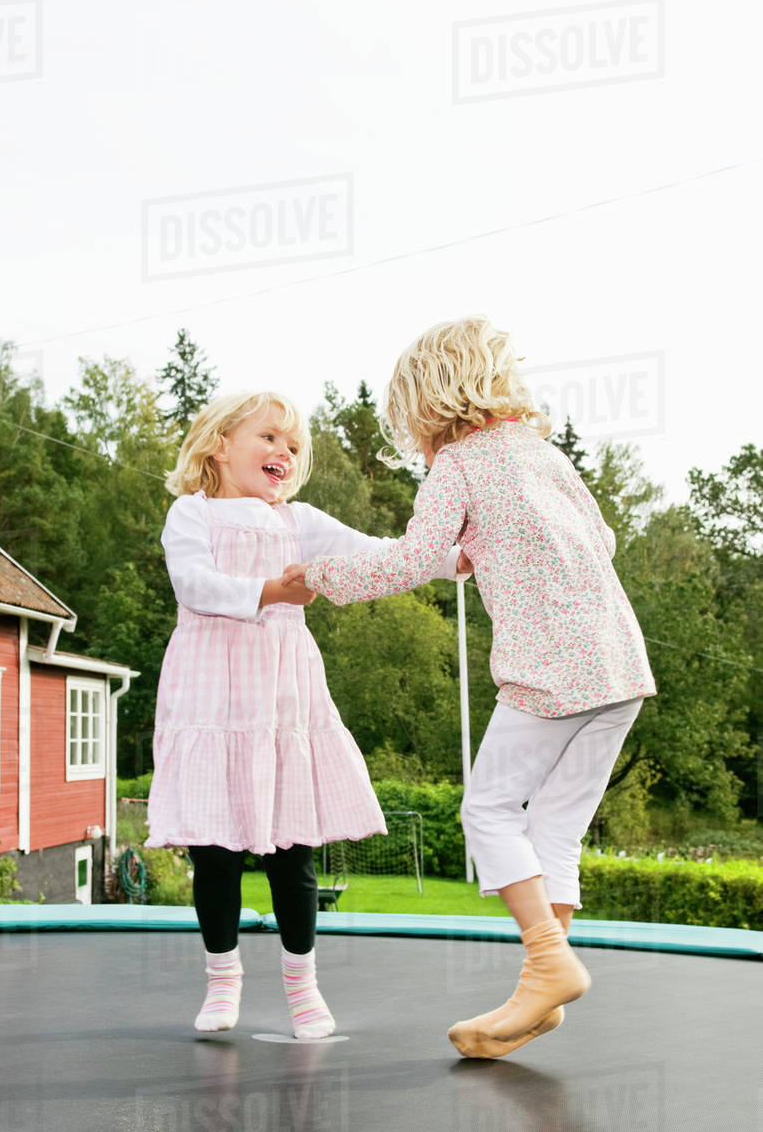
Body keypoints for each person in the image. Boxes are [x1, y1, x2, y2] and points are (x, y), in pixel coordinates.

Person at [283, 317, 657, 1058]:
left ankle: (549, 965)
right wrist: (485, 546)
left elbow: (409, 560)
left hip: (550, 670)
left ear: (431, 406)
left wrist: (317, 578)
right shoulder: (543, 454)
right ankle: (540, 984)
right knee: (554, 825)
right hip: (618, 665)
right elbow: (602, 541)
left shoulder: (457, 464)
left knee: (486, 810)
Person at [145, 389, 462, 1040]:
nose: (281, 452)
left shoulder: (300, 521)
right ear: (219, 445)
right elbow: (194, 586)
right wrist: (271, 590)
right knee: (217, 854)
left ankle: (304, 986)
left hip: (285, 698)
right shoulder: (191, 513)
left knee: (294, 851)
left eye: (292, 445)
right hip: (210, 696)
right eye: (267, 438)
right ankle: (222, 977)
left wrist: (446, 560)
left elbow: (378, 555)